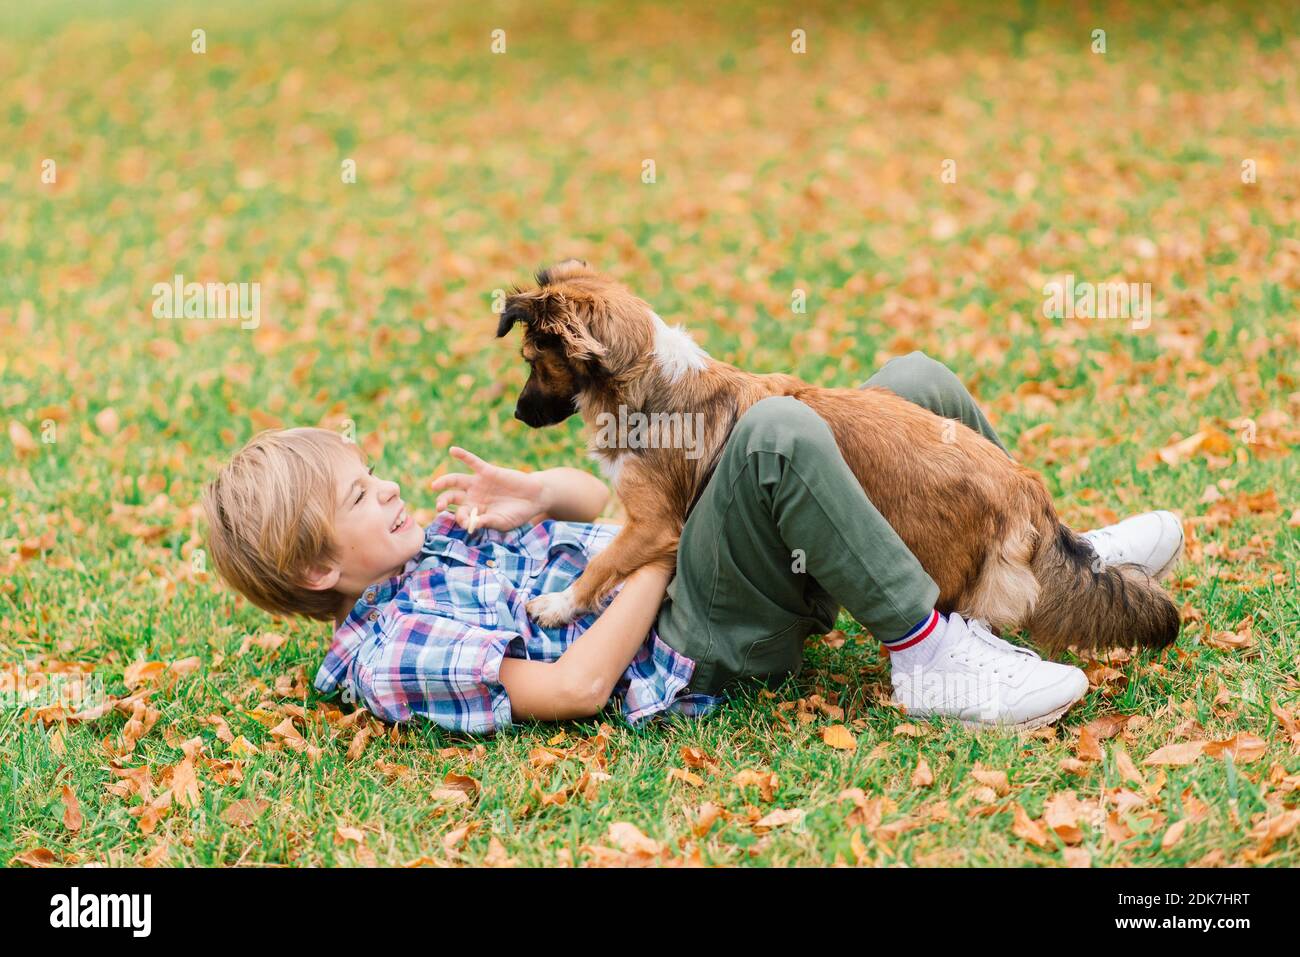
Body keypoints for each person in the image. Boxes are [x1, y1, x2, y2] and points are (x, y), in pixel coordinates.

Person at [201, 352, 1183, 734]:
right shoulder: (397, 645)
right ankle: (929, 660)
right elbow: (575, 685)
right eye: (365, 495)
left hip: (686, 574)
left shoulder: (440, 547)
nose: (394, 488)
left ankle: (1040, 555)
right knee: (775, 438)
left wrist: (542, 489)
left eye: (377, 475)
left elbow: (599, 510)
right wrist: (663, 548)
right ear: (321, 570)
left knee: (910, 388)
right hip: (693, 635)